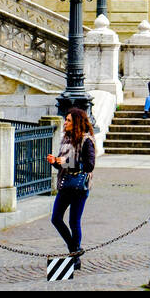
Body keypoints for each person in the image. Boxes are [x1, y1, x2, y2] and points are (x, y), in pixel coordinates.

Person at [47, 108, 96, 268]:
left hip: (79, 187)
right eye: (66, 120)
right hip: (65, 184)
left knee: (74, 221)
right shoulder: (66, 139)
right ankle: (75, 249)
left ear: (76, 123)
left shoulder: (86, 140)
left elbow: (89, 166)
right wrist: (55, 161)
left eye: (68, 120)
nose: (65, 123)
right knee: (56, 218)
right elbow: (61, 166)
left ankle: (75, 257)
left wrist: (65, 163)